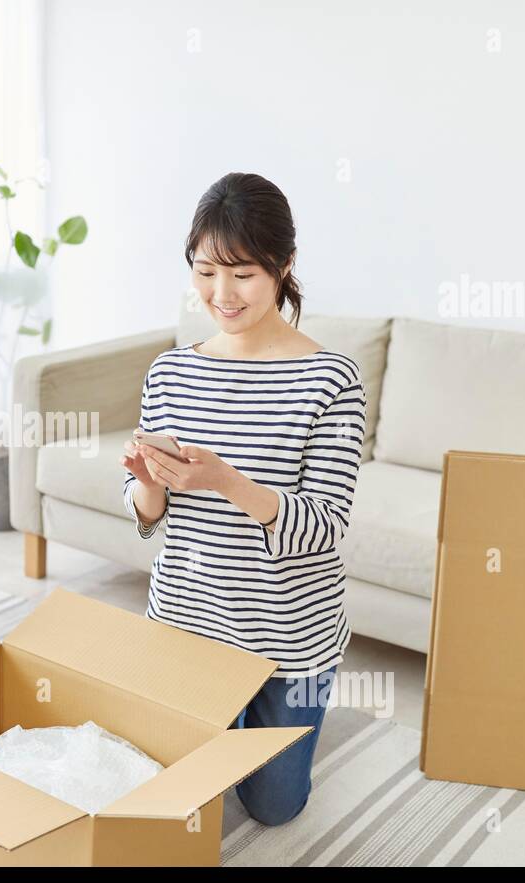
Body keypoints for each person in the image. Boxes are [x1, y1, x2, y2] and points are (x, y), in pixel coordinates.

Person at [120, 172, 365, 826]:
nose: (221, 295)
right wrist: (146, 483)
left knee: (272, 807)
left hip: (289, 636)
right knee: (173, 788)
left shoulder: (331, 379)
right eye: (205, 272)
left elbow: (325, 526)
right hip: (188, 624)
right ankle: (222, 721)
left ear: (284, 268)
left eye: (243, 274)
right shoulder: (170, 372)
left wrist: (228, 481)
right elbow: (147, 517)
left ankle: (284, 716)